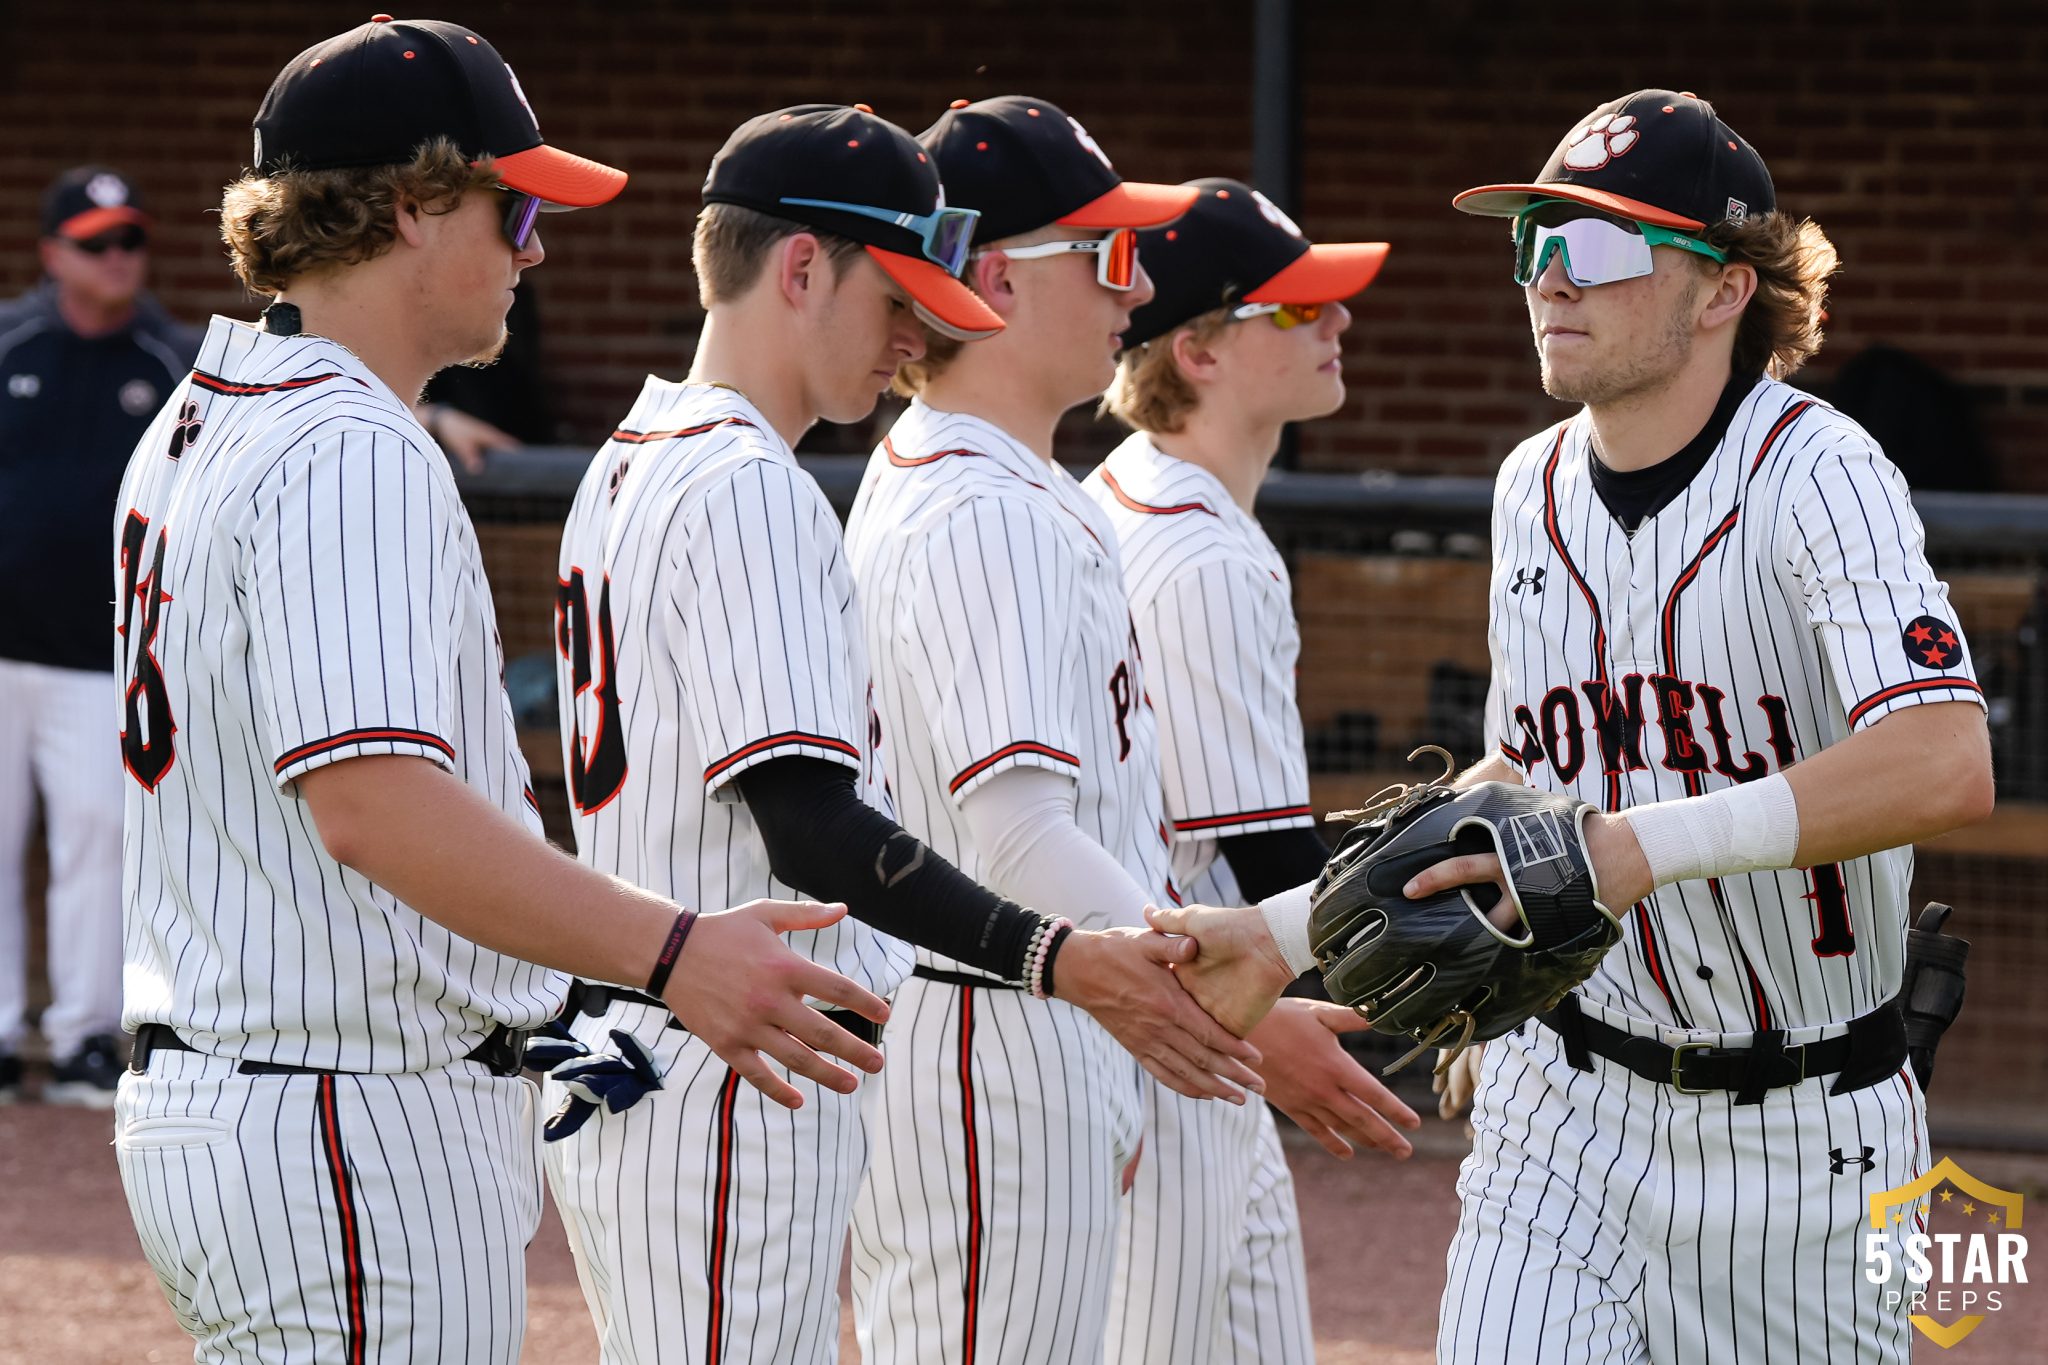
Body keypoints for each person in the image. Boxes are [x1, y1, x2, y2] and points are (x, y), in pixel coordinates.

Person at [1151, 90, 1995, 1365]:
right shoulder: (1526, 484)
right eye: (1532, 244)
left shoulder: (1820, 470)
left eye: (1595, 248)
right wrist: (1281, 933)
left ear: (1720, 291)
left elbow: (1944, 758)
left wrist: (1636, 849)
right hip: (1564, 1111)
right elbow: (1525, 781)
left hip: (1814, 1145)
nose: (1550, 279)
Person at [110, 19, 886, 1363]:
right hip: (339, 1114)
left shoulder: (202, 415)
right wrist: (670, 954)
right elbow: (376, 807)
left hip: (260, 1088)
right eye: (511, 206)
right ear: (411, 205)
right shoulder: (349, 442)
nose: (533, 247)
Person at [539, 102, 1259, 1364]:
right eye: (893, 297)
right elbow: (808, 825)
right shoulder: (747, 477)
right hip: (725, 1061)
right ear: (803, 267)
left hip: (671, 1038)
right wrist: (1056, 956)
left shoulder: (635, 450)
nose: (914, 334)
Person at [1087, 178, 1417, 1364]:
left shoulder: (1121, 499)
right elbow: (1270, 857)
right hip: (1175, 1036)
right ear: (1198, 351)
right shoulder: (1201, 551)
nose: (1335, 325)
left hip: (1162, 1012)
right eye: (1295, 311)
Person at [0, 167, 198, 1105]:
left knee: (92, 844)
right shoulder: (10, 343)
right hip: (2, 650)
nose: (119, 258)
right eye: (96, 242)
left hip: (102, 656)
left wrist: (436, 410)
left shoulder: (171, 360)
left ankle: (81, 1034)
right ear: (52, 255)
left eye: (130, 240)